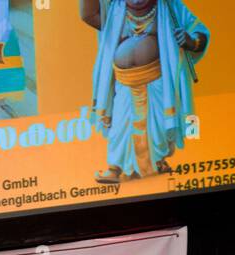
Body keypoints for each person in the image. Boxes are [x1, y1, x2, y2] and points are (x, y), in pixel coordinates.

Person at [80, 0, 209, 182]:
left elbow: (199, 31)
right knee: (119, 128)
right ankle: (115, 169)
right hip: (124, 84)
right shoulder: (116, 10)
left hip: (156, 81)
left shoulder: (169, 6)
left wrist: (191, 41)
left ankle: (157, 162)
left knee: (158, 127)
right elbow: (88, 15)